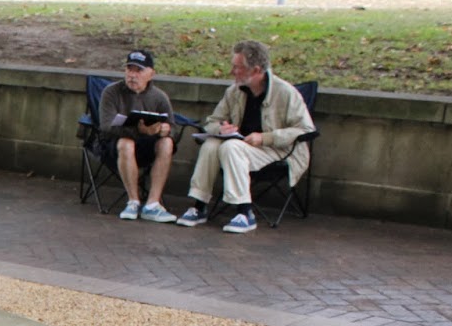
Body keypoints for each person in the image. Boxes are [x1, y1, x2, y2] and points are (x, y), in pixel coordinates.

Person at [175, 39, 317, 234]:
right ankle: (199, 206)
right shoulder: (234, 91)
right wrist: (220, 129)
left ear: (256, 70)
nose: (232, 72)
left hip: (277, 150)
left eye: (237, 67)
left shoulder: (285, 93)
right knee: (211, 144)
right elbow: (212, 121)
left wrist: (265, 138)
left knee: (230, 147)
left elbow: (305, 129)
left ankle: (245, 212)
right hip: (241, 146)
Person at [98, 48, 179, 223]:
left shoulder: (159, 97)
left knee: (167, 143)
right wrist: (138, 131)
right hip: (115, 147)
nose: (132, 75)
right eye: (129, 69)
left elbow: (173, 127)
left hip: (147, 147)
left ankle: (152, 203)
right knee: (126, 143)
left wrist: (164, 130)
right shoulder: (111, 92)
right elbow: (105, 125)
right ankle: (133, 201)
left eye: (139, 70)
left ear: (151, 74)